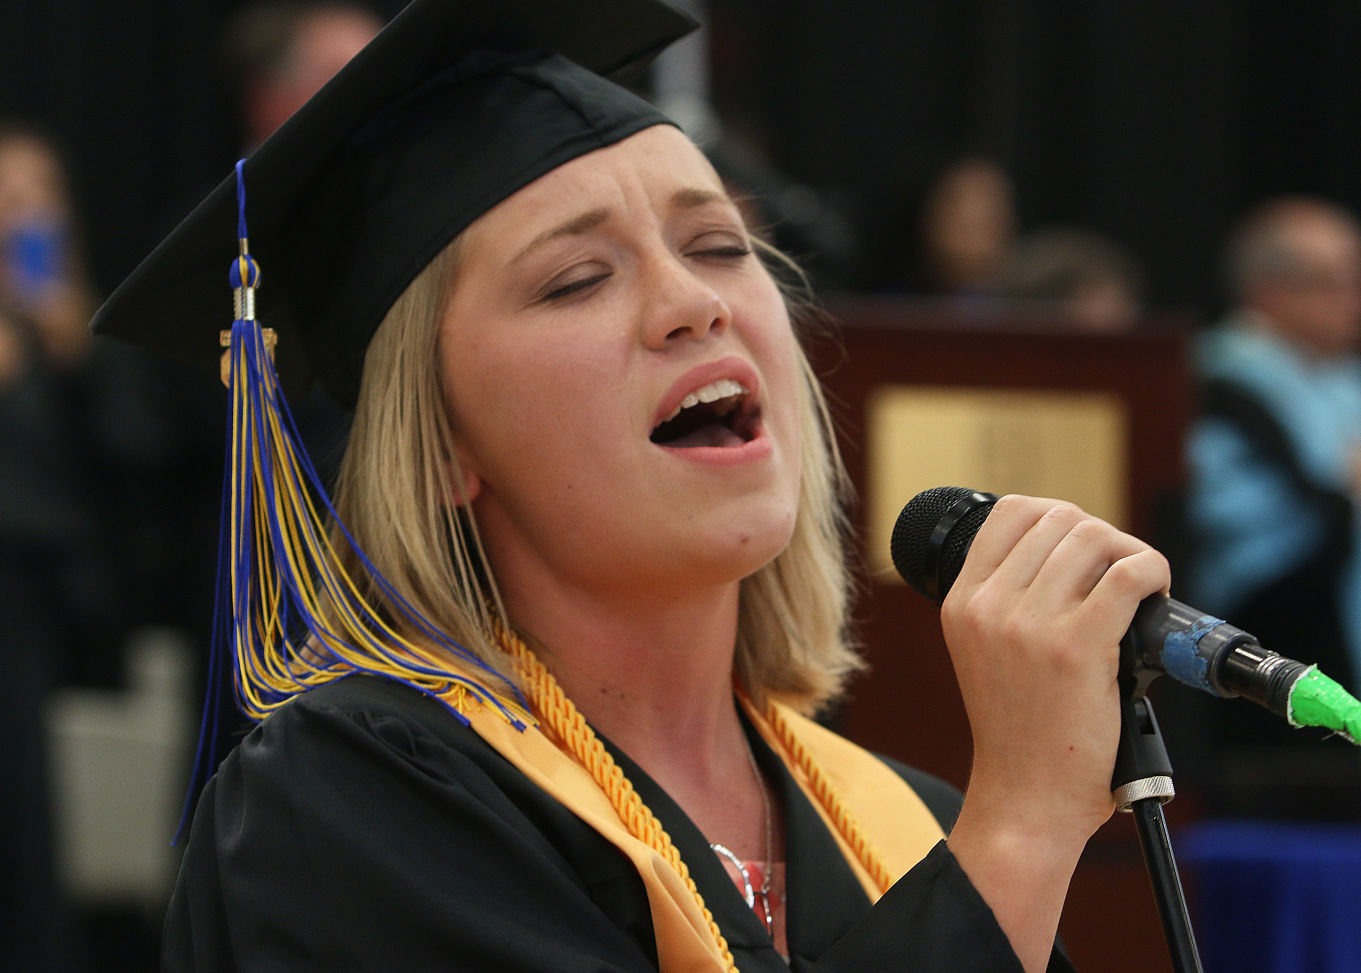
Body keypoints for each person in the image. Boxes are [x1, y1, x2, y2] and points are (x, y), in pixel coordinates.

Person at [92, 0, 1169, 969]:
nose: (691, 303)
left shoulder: (901, 822)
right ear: (439, 447)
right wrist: (1022, 825)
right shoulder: (346, 804)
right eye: (574, 279)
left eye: (716, 244)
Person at [1180, 196, 1361, 813]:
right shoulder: (1214, 379)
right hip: (1265, 649)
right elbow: (1219, 518)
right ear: (1269, 291)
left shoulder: (1339, 378)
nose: (1352, 301)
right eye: (1333, 284)